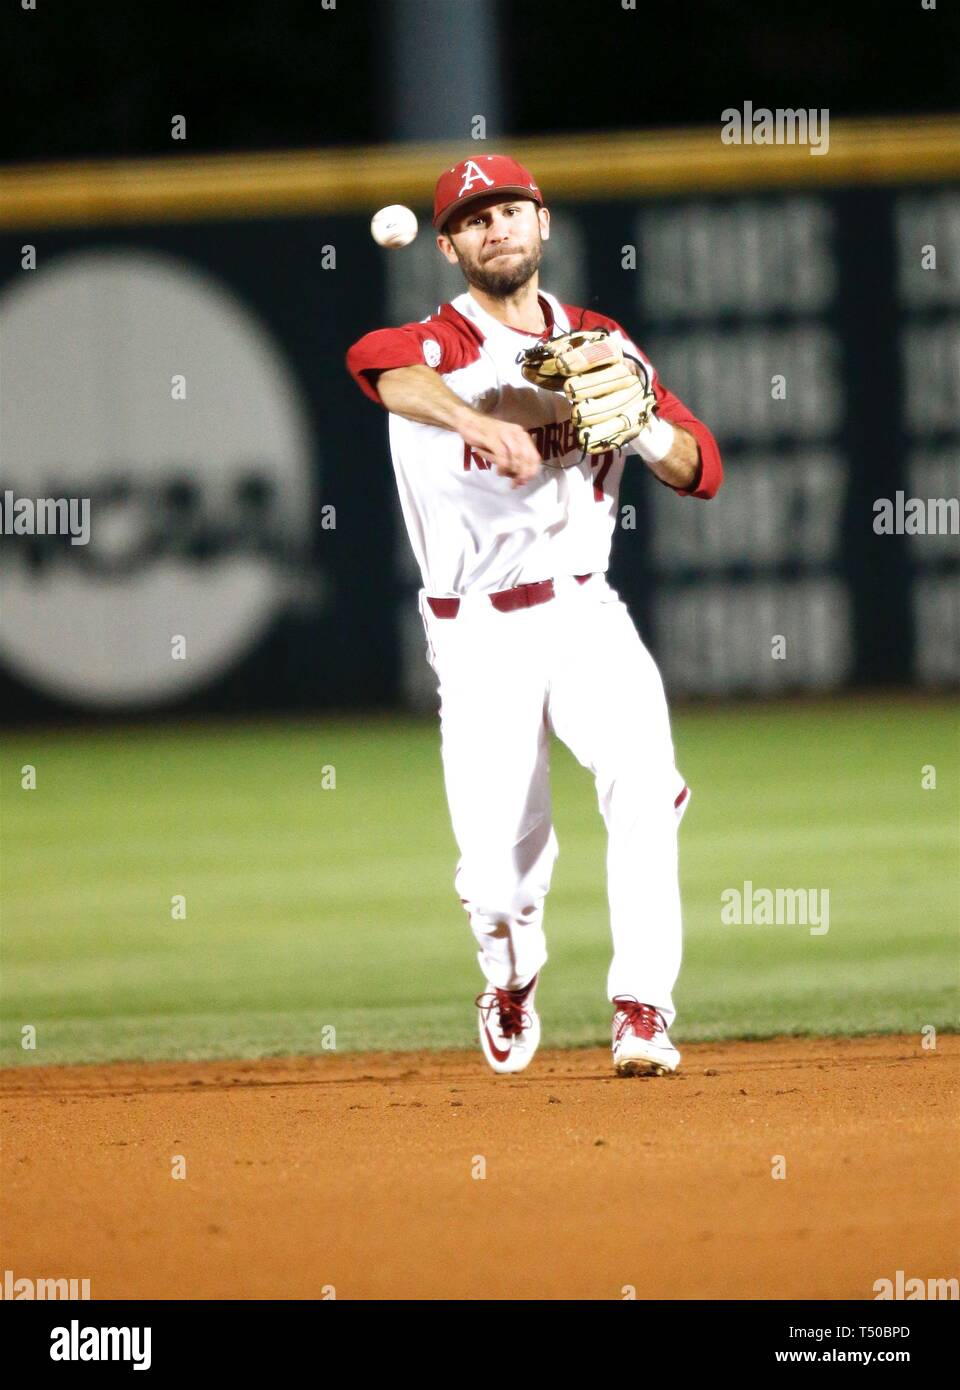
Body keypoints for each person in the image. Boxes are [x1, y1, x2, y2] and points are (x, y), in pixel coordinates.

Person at [346, 154, 722, 1077]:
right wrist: (477, 423)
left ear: (544, 224)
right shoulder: (438, 347)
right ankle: (509, 977)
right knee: (501, 879)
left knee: (645, 781)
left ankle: (642, 1011)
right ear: (448, 246)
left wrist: (641, 424)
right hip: (478, 636)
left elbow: (701, 468)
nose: (496, 227)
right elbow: (374, 363)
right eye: (474, 219)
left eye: (511, 209)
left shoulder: (602, 342)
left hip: (585, 609)